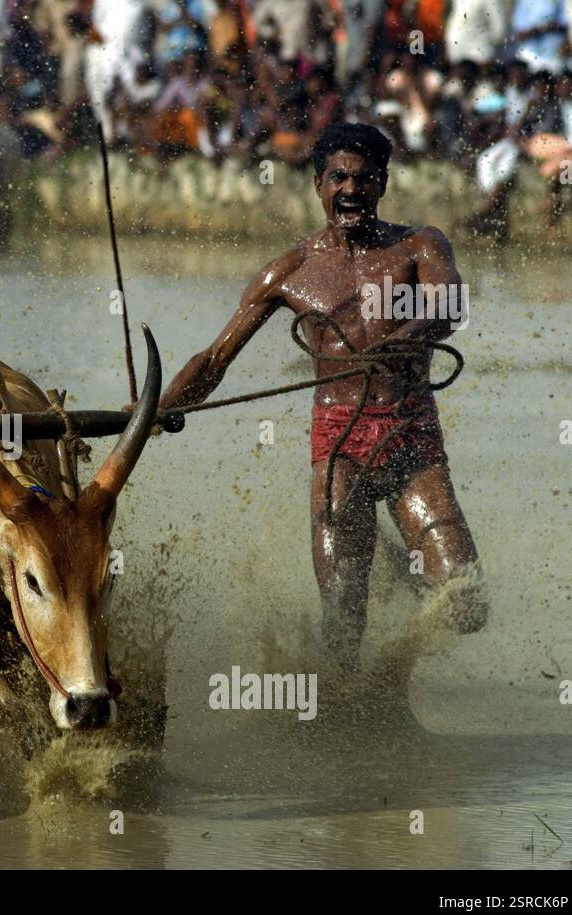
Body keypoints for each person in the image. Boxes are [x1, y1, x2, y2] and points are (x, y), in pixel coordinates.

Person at [157, 122, 489, 686]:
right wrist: (153, 412)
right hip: (338, 445)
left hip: (409, 437)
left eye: (364, 178)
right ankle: (353, 722)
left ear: (382, 184)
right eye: (339, 177)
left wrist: (405, 336)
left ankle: (398, 573)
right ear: (318, 186)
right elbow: (215, 359)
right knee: (342, 619)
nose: (351, 189)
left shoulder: (420, 246)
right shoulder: (287, 272)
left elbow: (449, 301)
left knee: (464, 605)